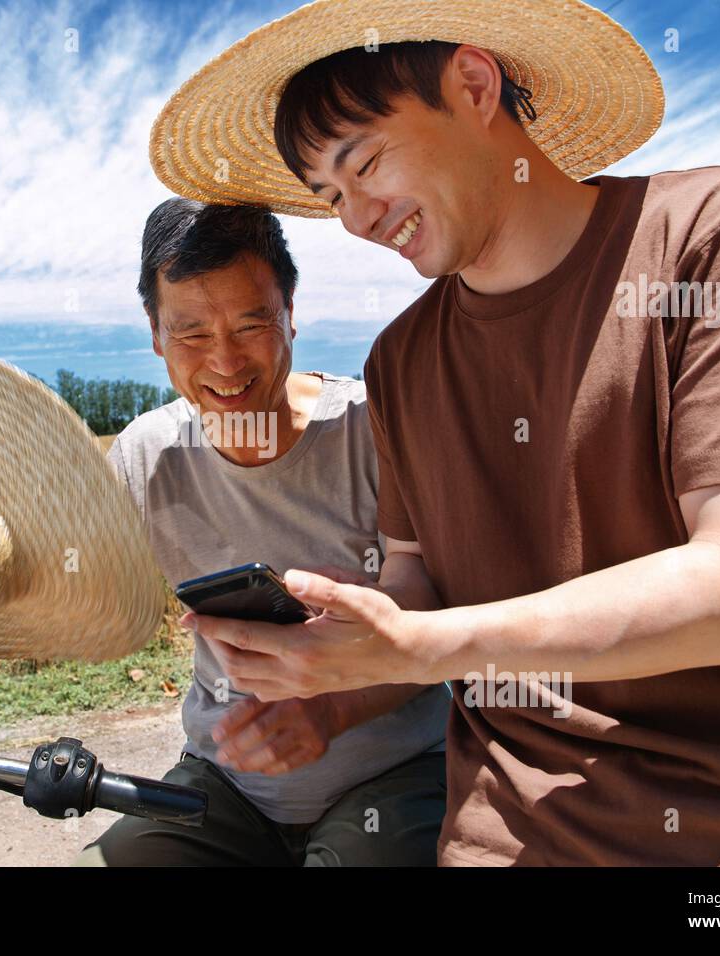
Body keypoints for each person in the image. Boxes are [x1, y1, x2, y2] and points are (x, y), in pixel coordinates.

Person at [153, 1, 720, 864]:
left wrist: (420, 648)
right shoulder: (403, 362)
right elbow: (416, 577)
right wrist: (346, 652)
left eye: (366, 163)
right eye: (331, 196)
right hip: (507, 832)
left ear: (473, 84)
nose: (356, 217)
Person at [74, 198, 450, 865]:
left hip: (389, 778)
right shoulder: (145, 456)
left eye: (252, 323)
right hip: (226, 786)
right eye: (190, 332)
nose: (224, 362)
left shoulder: (374, 429)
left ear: (291, 312)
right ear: (155, 332)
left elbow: (426, 604)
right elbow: (78, 595)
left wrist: (333, 705)